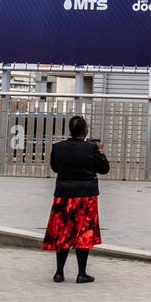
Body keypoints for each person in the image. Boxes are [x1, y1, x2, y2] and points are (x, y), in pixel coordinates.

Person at [43, 115, 109, 283]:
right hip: (85, 196)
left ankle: (59, 272)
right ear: (85, 130)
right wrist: (101, 152)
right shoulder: (91, 148)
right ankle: (81, 273)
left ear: (70, 130)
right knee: (83, 233)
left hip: (63, 195)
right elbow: (103, 169)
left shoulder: (58, 147)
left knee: (63, 232)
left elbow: (55, 168)